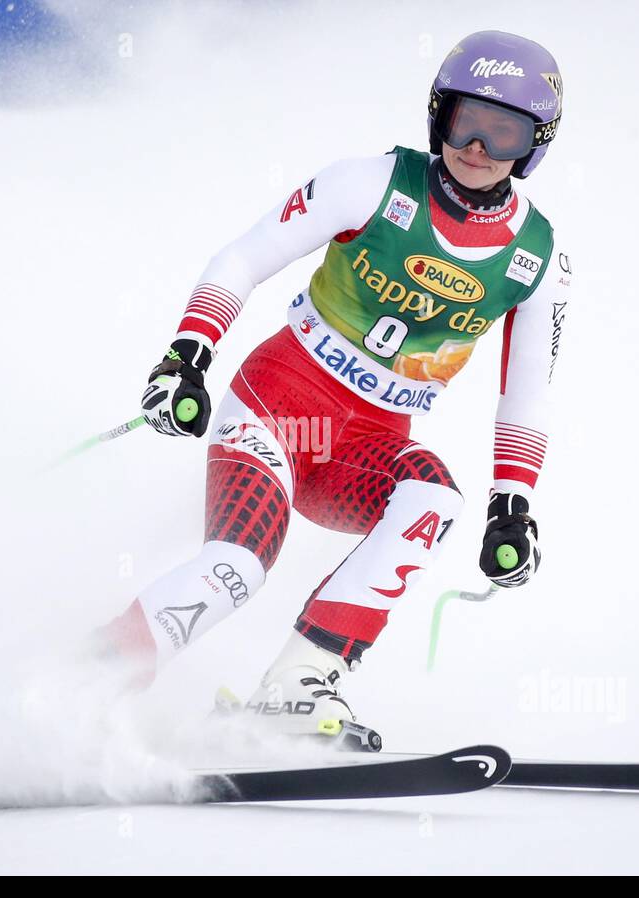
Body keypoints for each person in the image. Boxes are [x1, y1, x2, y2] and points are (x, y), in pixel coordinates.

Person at [100, 30, 571, 741]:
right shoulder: (370, 182)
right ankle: (84, 680)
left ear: (533, 146)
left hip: (364, 450)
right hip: (279, 409)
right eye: (463, 119)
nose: (476, 144)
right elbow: (243, 257)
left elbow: (526, 393)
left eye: (502, 131)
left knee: (434, 497)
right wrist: (185, 357)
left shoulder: (538, 258)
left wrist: (515, 505)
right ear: (437, 114)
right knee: (234, 568)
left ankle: (296, 686)